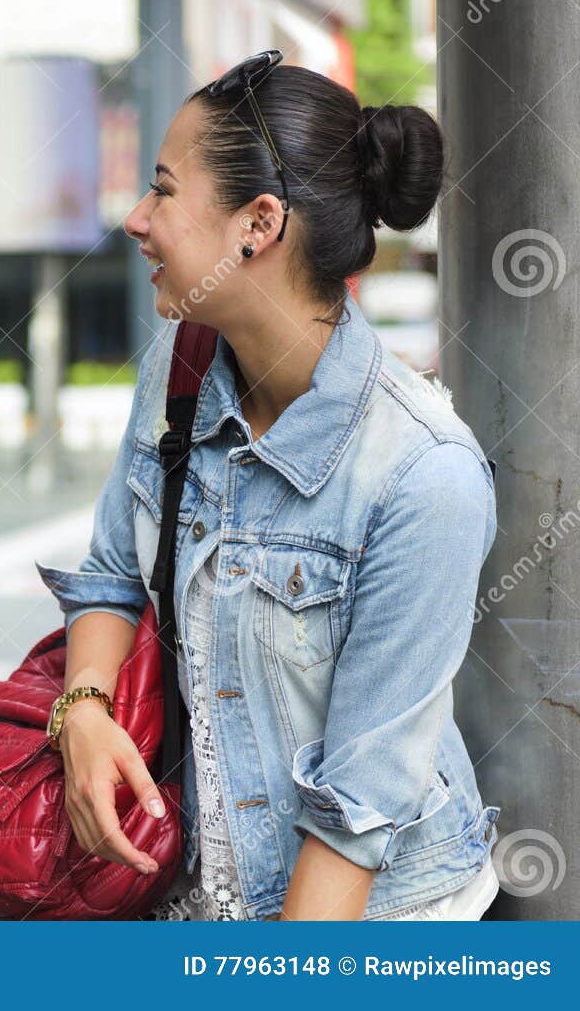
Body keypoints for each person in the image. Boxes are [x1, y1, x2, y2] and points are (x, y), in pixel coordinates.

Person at [39, 51, 501, 920]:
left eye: (165, 190)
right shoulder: (178, 371)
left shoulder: (424, 475)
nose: (137, 219)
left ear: (257, 223)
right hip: (198, 901)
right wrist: (87, 709)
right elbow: (106, 575)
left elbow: (355, 821)